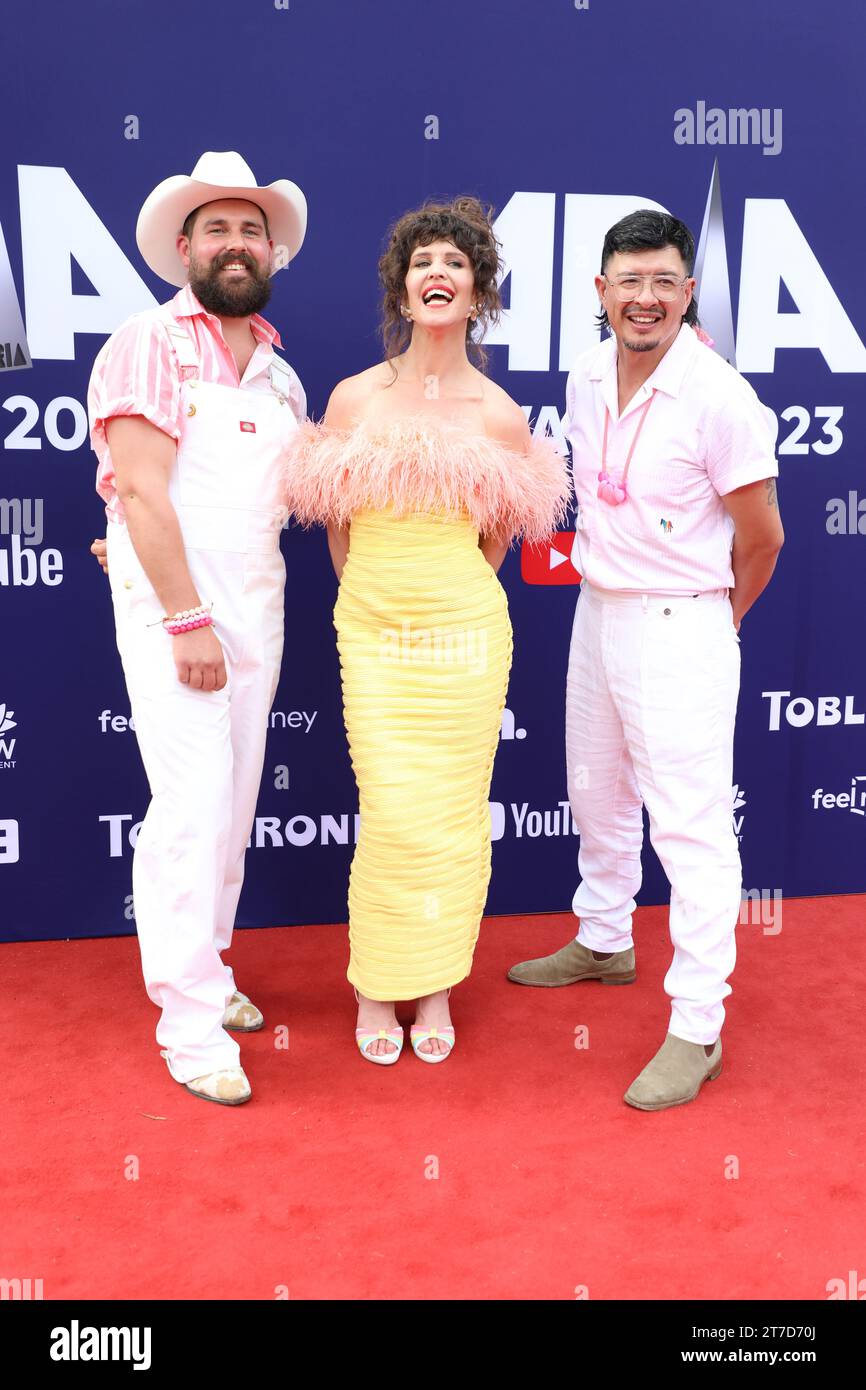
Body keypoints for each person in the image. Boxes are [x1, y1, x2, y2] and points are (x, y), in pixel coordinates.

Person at [508, 210, 784, 1111]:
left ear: (689, 291)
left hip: (682, 624)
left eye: (665, 281)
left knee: (693, 833)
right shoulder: (587, 375)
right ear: (600, 292)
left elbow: (764, 538)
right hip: (598, 613)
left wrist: (711, 623)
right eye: (629, 281)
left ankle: (698, 1026)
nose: (646, 298)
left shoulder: (721, 397)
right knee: (596, 791)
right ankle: (603, 938)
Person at [284, 197, 570, 1064]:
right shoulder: (352, 400)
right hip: (372, 632)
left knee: (447, 813)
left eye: (455, 262)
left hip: (465, 638)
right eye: (422, 263)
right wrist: (378, 600)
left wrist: (440, 600)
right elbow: (337, 528)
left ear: (477, 289)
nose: (437, 273)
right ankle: (378, 983)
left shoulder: (499, 414)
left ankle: (437, 983)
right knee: (391, 809)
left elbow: (494, 544)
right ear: (401, 290)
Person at [87, 151, 307, 1105]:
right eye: (215, 229)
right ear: (184, 247)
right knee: (189, 807)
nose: (234, 243)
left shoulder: (282, 377)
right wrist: (180, 613)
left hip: (259, 593)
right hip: (187, 606)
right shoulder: (149, 341)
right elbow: (140, 485)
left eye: (250, 229)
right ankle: (186, 1023)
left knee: (235, 800)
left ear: (272, 251)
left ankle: (211, 974)